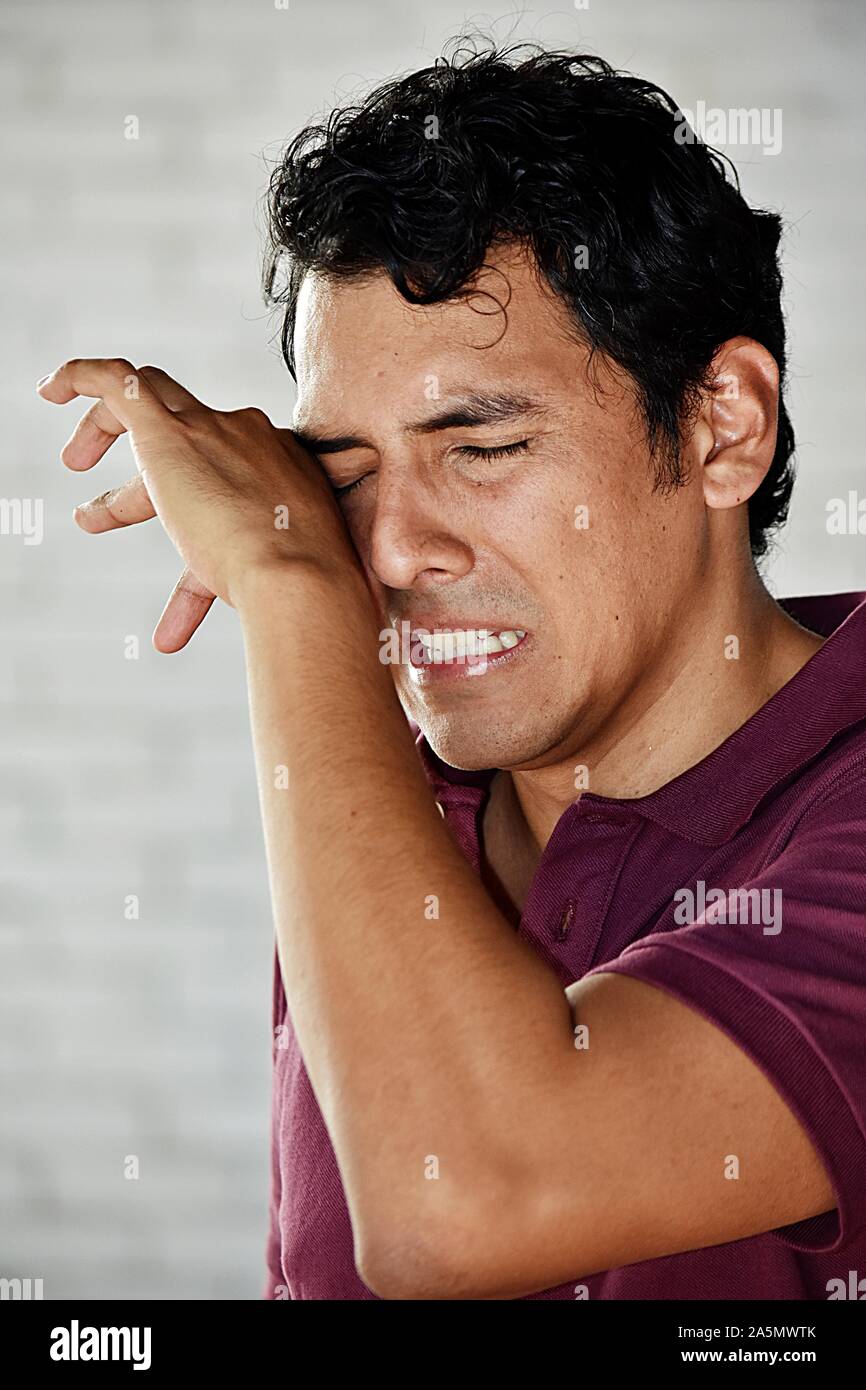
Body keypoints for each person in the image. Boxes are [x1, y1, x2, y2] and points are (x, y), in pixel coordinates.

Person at [38, 41, 866, 1301]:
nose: (387, 550)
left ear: (721, 425)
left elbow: (458, 1203)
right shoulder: (385, 810)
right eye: (345, 472)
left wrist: (294, 595)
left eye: (479, 445)